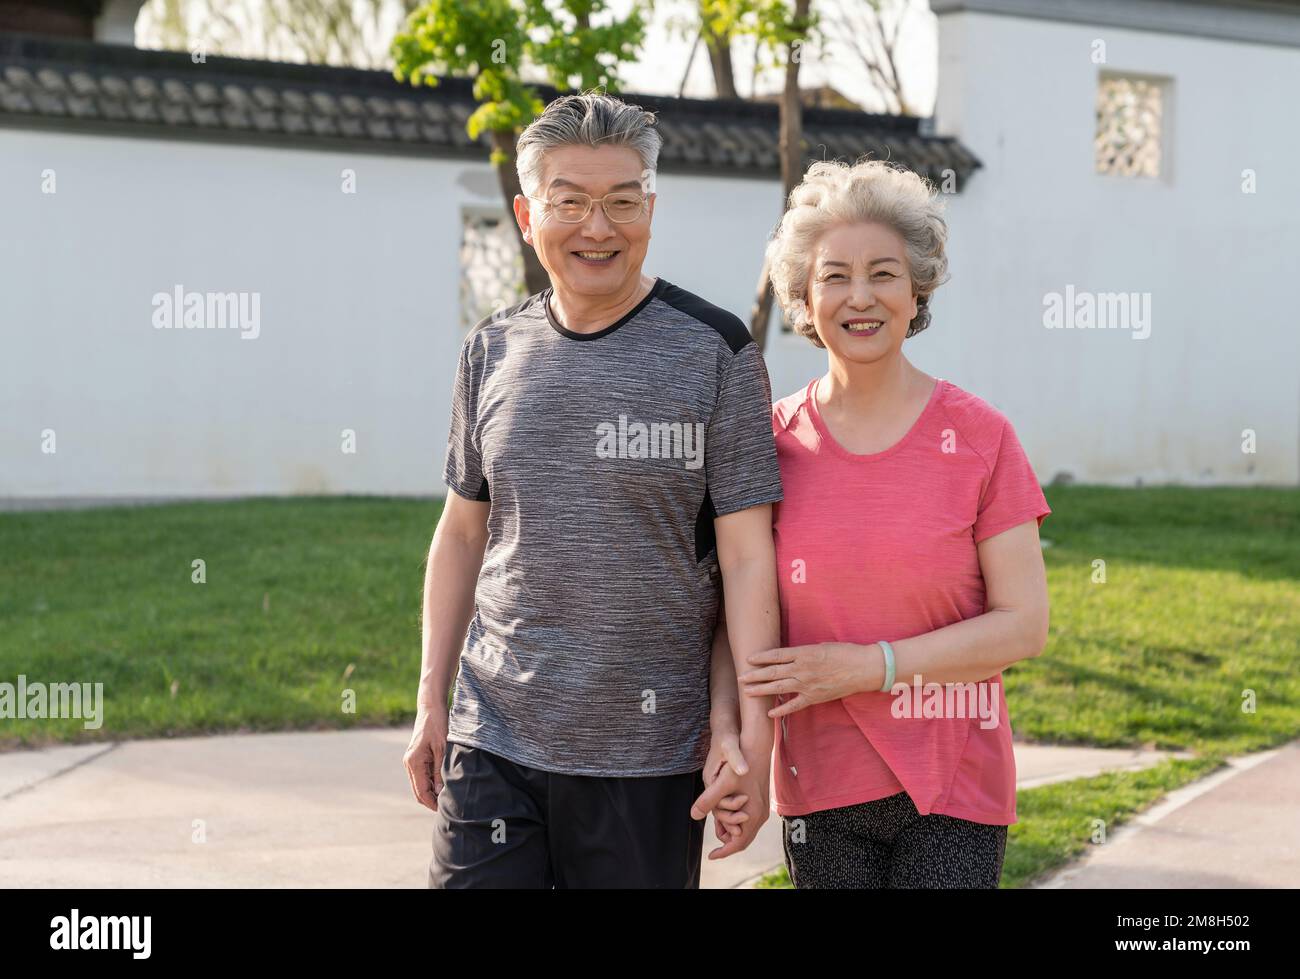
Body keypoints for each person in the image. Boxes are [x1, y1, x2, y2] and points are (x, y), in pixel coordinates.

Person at [402, 92, 782, 888]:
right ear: (526, 212)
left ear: (652, 206)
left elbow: (749, 559)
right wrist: (430, 697)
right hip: (494, 730)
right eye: (569, 201)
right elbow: (462, 533)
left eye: (621, 201)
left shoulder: (716, 350)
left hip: (646, 754)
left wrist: (752, 739)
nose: (597, 227)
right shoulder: (491, 349)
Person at [719, 158, 1052, 888]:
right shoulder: (766, 448)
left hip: (956, 780)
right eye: (835, 276)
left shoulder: (981, 438)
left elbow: (1024, 624)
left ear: (916, 289)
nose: (859, 296)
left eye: (884, 273)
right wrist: (736, 747)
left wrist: (871, 666)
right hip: (818, 782)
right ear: (803, 298)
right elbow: (736, 614)